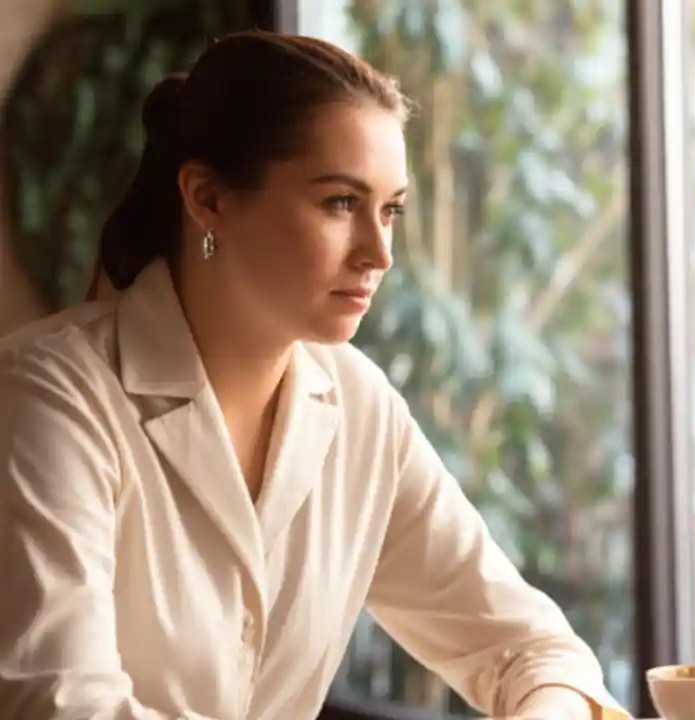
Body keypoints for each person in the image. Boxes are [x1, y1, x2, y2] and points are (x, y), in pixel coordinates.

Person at [0, 31, 628, 720]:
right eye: (339, 203)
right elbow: (57, 704)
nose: (379, 252)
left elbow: (530, 648)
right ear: (207, 199)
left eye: (390, 208)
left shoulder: (359, 408)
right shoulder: (48, 399)